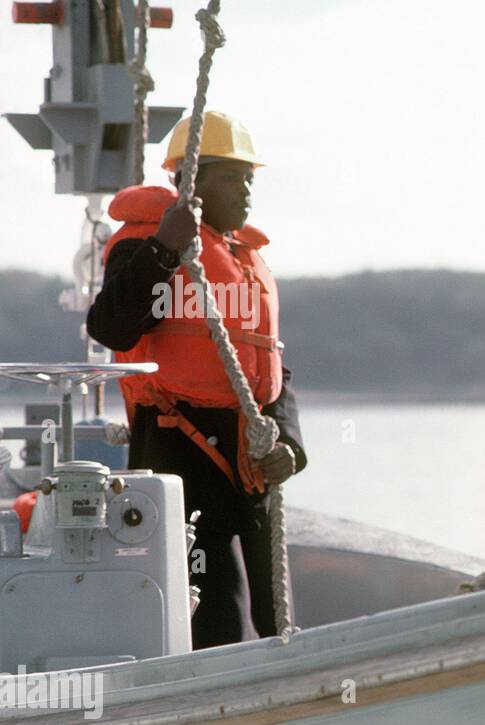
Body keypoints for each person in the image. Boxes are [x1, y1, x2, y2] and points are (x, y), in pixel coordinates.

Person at [87, 112, 306, 647]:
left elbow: (270, 366)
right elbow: (111, 326)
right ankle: (219, 703)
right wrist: (164, 248)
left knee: (278, 617)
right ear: (192, 181)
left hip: (251, 457)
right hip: (179, 450)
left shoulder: (244, 258)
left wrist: (290, 447)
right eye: (234, 176)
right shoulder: (145, 245)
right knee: (212, 610)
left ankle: (292, 703)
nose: (247, 188)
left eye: (250, 177)